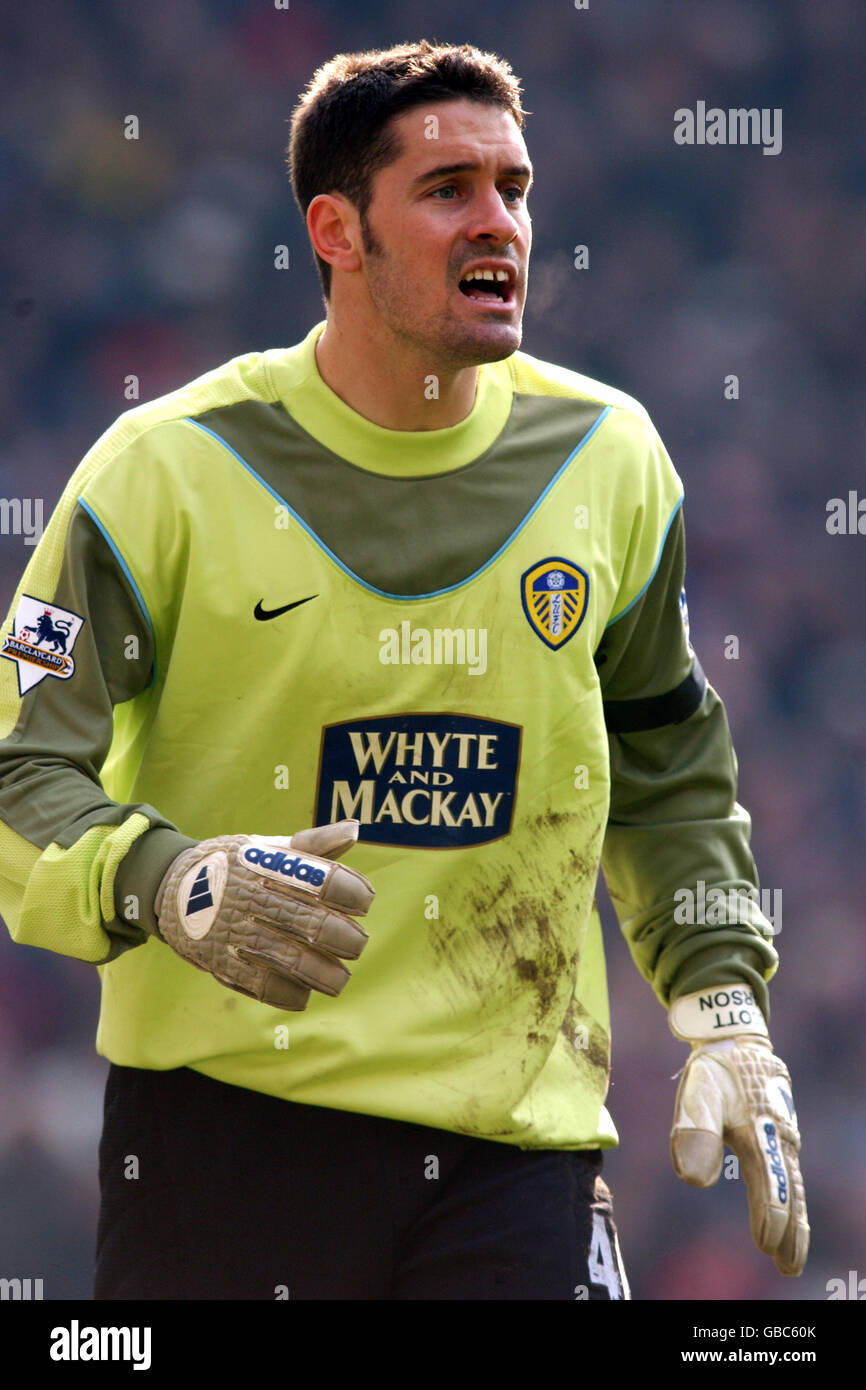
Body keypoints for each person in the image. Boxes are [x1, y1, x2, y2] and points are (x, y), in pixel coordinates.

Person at [0, 40, 807, 1300]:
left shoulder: (611, 458)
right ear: (335, 230)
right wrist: (169, 882)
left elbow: (666, 770)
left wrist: (723, 1008)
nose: (499, 222)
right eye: (448, 190)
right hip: (223, 1142)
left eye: (515, 188)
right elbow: (21, 772)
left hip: (516, 1153)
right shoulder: (160, 472)